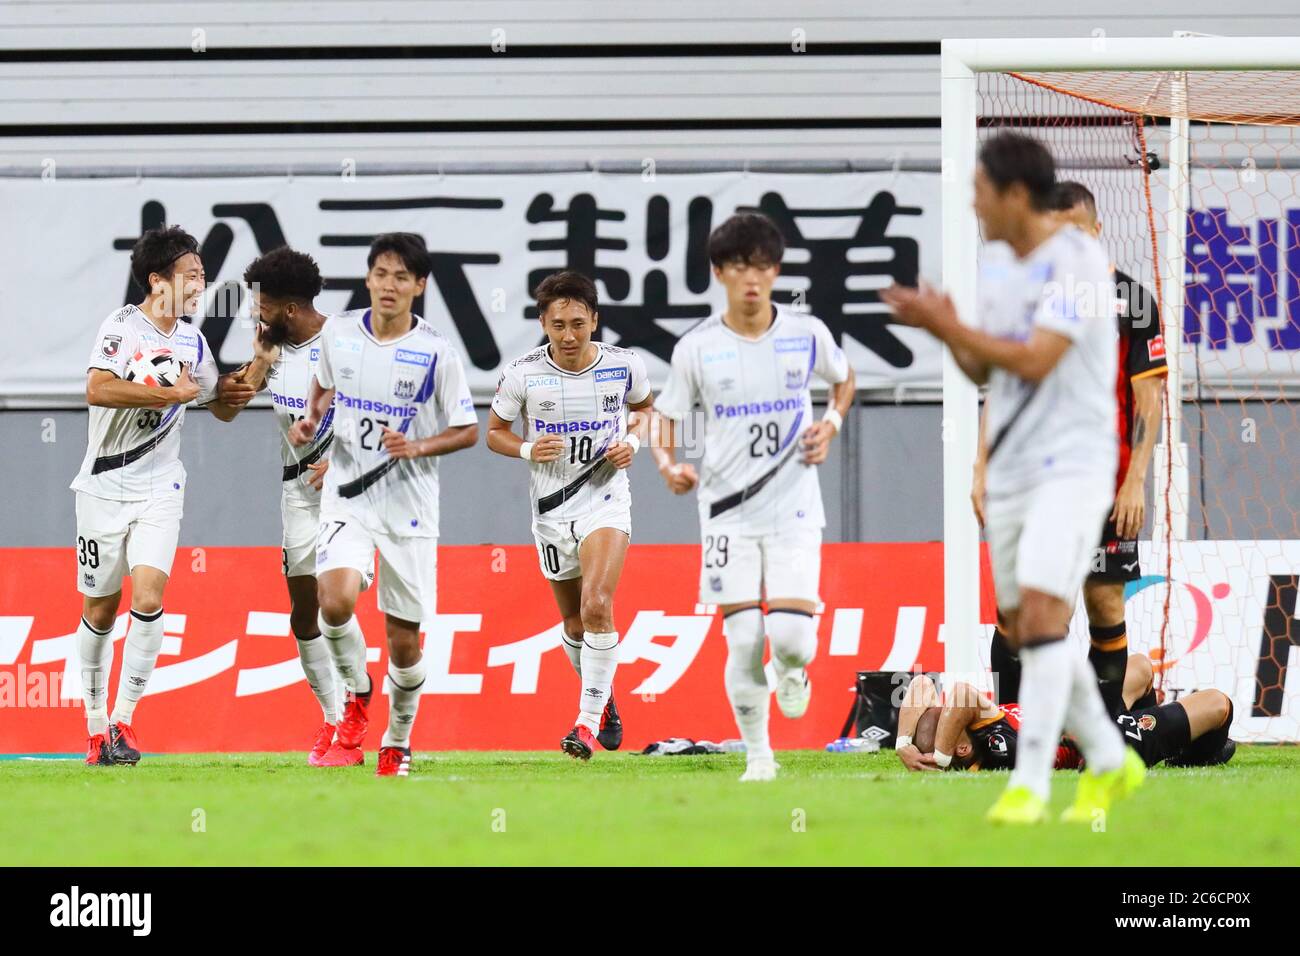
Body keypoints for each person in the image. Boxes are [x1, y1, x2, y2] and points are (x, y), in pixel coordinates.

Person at [883, 132, 1141, 824]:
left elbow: (1035, 359)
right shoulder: (996, 266)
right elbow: (988, 372)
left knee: (1044, 606)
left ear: (1015, 195)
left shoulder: (1079, 260)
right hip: (1014, 463)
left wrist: (950, 325)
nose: (972, 206)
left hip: (1077, 463)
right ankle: (1112, 759)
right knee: (1028, 621)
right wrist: (946, 333)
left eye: (979, 192)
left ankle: (1029, 783)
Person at [652, 212, 857, 782]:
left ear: (776, 270)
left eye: (761, 265)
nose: (751, 277)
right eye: (738, 265)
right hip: (725, 515)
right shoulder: (697, 348)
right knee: (743, 639)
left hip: (793, 508)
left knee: (791, 640)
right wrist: (670, 465)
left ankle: (791, 671)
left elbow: (845, 378)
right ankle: (760, 757)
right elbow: (666, 420)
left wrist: (832, 424)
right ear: (719, 272)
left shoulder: (805, 334)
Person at [289, 233, 478, 777]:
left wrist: (417, 445)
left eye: (401, 277)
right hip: (347, 496)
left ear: (419, 286)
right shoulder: (340, 335)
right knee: (334, 601)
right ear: (368, 278)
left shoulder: (437, 352)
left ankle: (397, 739)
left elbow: (468, 430)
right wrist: (310, 420)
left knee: (403, 642)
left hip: (409, 509)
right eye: (380, 273)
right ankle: (356, 698)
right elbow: (322, 392)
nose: (388, 285)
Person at [76, 225, 259, 766]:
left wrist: (249, 378)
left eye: (203, 274)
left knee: (150, 598)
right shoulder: (122, 327)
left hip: (161, 485)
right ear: (158, 280)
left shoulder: (192, 340)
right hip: (104, 484)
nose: (201, 283)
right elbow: (97, 387)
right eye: (191, 274)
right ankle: (93, 727)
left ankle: (125, 722)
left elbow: (217, 406)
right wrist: (167, 393)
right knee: (101, 609)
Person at [486, 271, 652, 759]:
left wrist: (633, 442)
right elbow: (493, 431)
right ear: (543, 323)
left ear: (595, 320)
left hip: (605, 499)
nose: (569, 335)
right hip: (550, 510)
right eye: (557, 324)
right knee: (577, 624)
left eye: (579, 323)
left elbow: (647, 410)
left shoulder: (624, 366)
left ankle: (583, 723)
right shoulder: (522, 373)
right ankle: (604, 702)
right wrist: (527, 449)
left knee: (598, 605)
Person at [220, 246, 370, 766]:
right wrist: (259, 363)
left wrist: (346, 461)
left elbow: (393, 411)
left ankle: (361, 704)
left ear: (288, 307)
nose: (254, 315)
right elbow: (224, 411)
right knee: (304, 613)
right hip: (297, 495)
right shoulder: (273, 346)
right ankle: (333, 718)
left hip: (355, 492)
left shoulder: (351, 340)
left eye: (261, 305)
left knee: (335, 602)